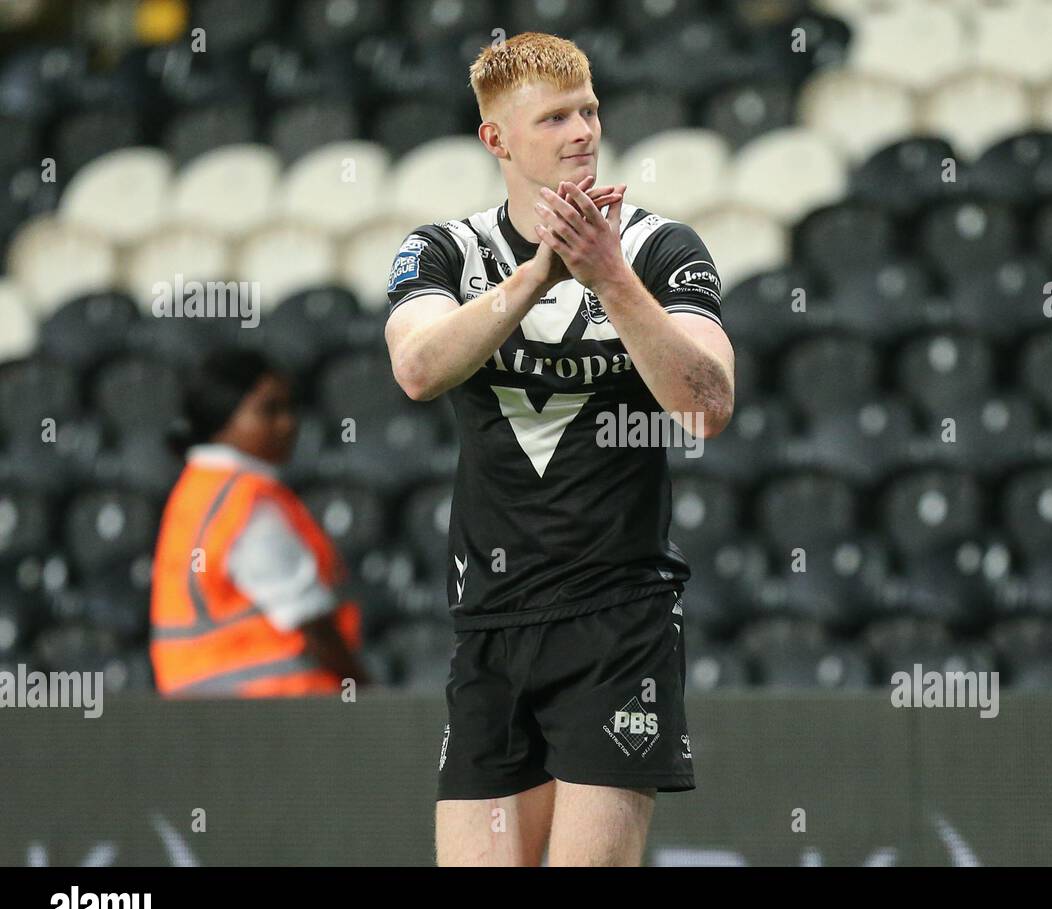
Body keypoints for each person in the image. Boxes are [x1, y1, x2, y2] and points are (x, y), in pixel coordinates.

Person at [384, 32, 735, 866]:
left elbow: (707, 405)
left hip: (618, 620)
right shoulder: (444, 251)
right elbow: (418, 368)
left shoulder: (658, 249)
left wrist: (608, 277)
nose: (582, 132)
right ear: (496, 140)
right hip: (491, 623)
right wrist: (537, 276)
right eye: (554, 118)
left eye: (590, 111)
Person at [150, 348, 370, 697]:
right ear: (221, 419)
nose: (288, 423)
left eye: (290, 408)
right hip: (272, 707)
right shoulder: (245, 501)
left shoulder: (198, 489)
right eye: (270, 410)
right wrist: (365, 690)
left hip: (201, 704)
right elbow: (309, 617)